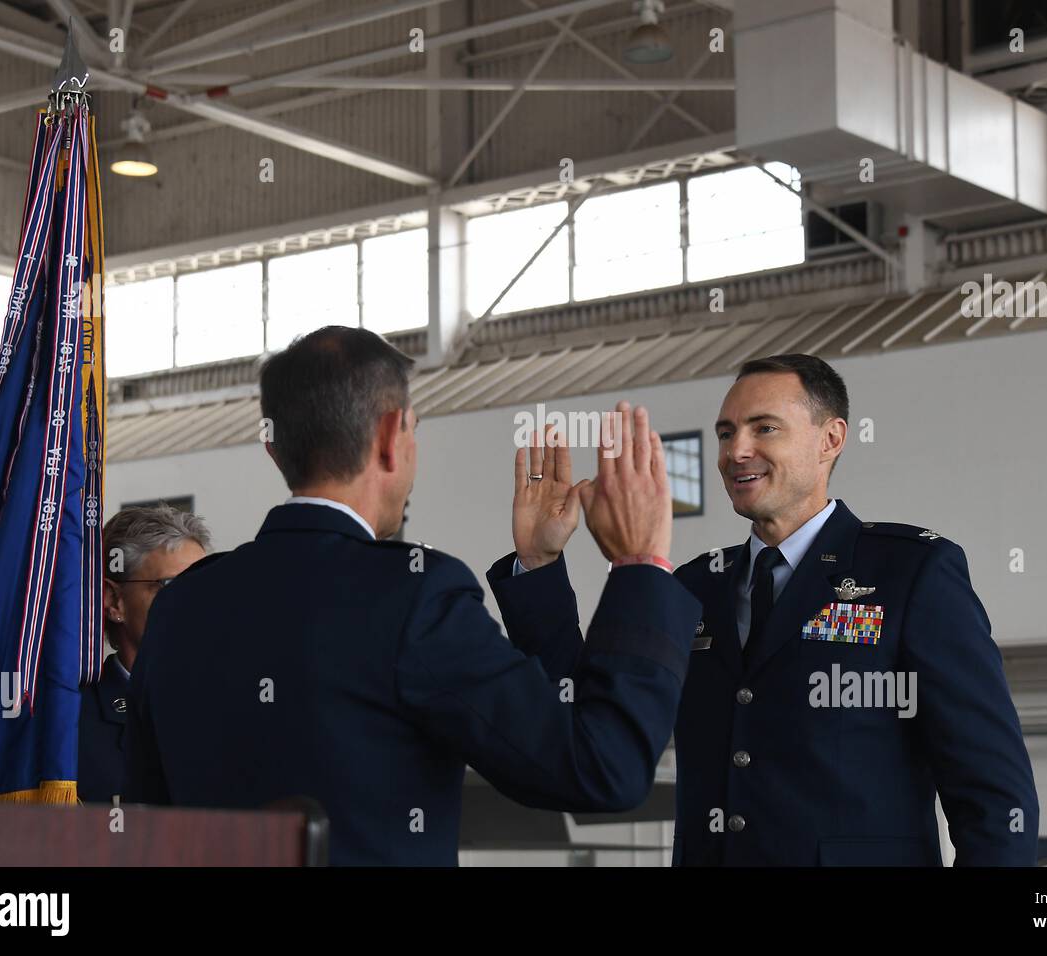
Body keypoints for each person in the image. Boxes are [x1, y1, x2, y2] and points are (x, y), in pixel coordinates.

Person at [122, 326, 699, 866]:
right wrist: (639, 564)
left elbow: (145, 820)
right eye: (415, 428)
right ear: (389, 437)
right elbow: (600, 766)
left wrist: (538, 566)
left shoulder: (179, 606)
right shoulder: (414, 597)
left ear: (276, 449)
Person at [488, 353, 1040, 866]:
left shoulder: (911, 573)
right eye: (726, 434)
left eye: (763, 428)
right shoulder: (694, 586)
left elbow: (991, 791)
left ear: (831, 438)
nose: (736, 451)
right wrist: (538, 563)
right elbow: (587, 721)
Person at [77, 503, 210, 804]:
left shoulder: (238, 703)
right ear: (114, 601)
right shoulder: (70, 721)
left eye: (205, 587)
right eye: (174, 587)